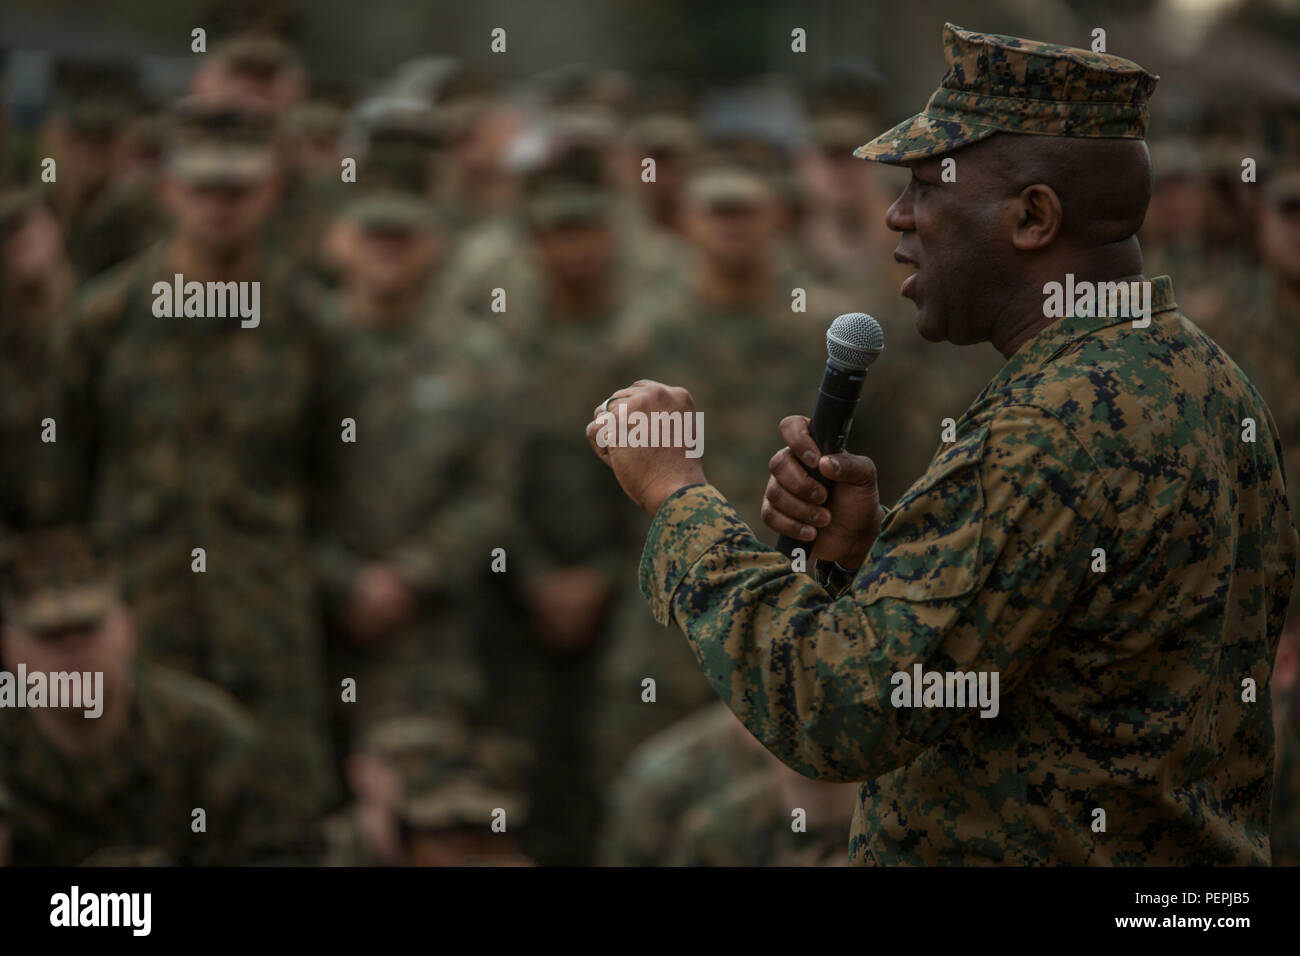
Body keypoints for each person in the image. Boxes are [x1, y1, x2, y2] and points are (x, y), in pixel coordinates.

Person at [587, 24, 1298, 865]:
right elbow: (1052, 653)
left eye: (928, 186)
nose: (896, 216)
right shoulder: (1198, 372)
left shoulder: (1055, 423)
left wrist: (678, 499)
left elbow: (840, 711)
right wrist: (872, 552)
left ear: (1033, 217)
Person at [44, 99, 344, 844]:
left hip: (267, 629)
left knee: (278, 834)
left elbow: (331, 480)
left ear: (272, 190)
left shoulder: (308, 325)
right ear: (169, 189)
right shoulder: (104, 317)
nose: (220, 205)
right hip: (139, 627)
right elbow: (60, 482)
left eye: (238, 188)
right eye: (203, 186)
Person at [0, 527, 270, 866]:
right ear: (9, 649)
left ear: (126, 630)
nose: (72, 652)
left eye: (88, 628)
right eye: (49, 636)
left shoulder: (209, 739)